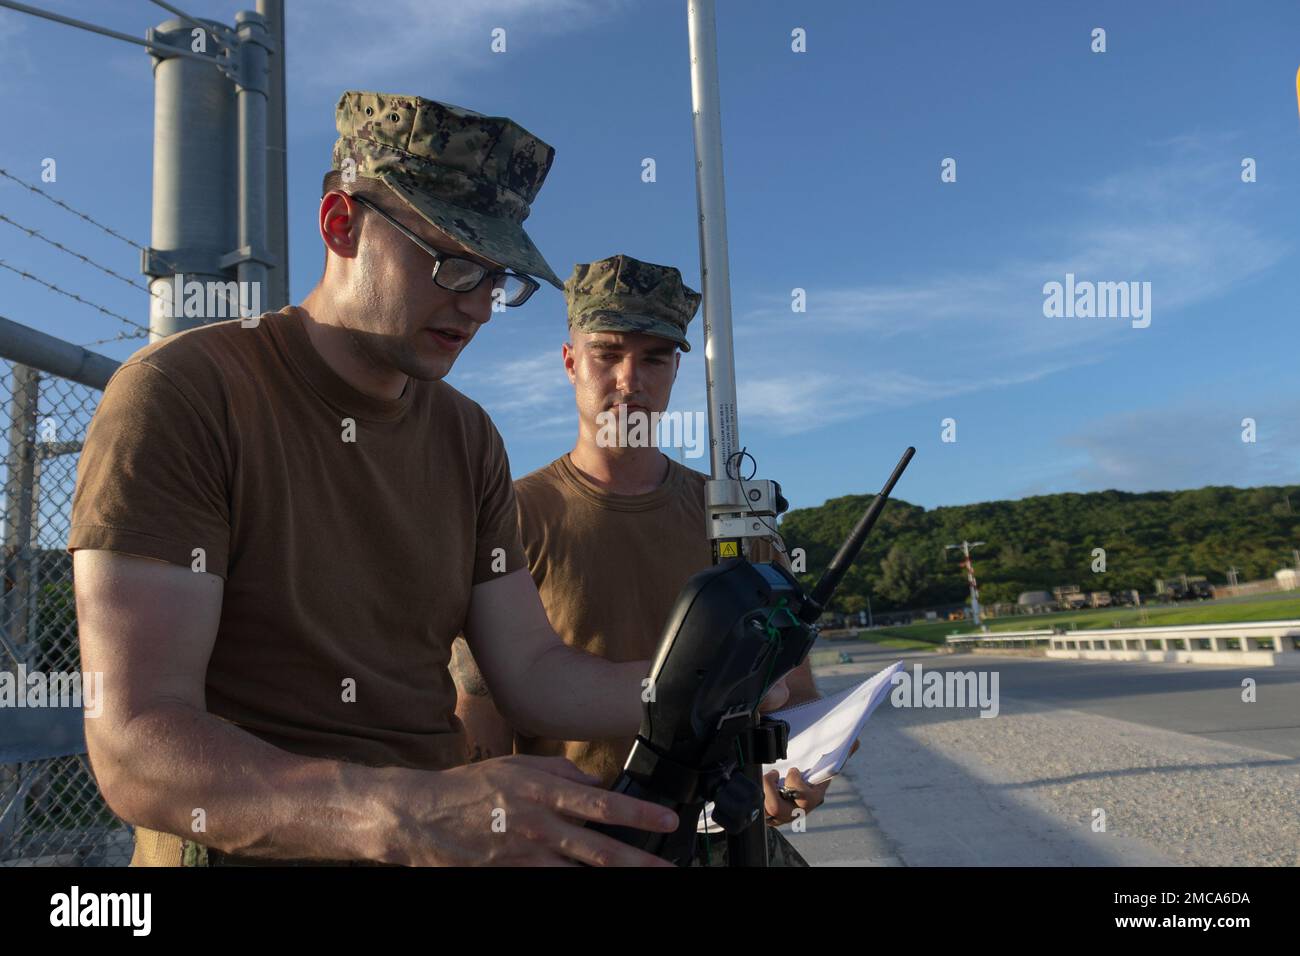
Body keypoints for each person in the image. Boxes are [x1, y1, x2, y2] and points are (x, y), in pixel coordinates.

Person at [69, 92, 785, 868]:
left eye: (497, 278)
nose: (477, 305)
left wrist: (705, 686)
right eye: (452, 262)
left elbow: (534, 674)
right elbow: (136, 745)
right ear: (341, 223)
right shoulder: (186, 396)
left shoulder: (465, 434)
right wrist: (406, 813)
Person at [451, 254, 837, 867]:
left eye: (654, 357)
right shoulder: (514, 516)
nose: (630, 380)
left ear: (676, 371)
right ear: (571, 361)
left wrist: (797, 777)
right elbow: (478, 706)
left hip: (729, 837)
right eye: (607, 352)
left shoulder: (737, 521)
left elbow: (794, 690)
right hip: (581, 840)